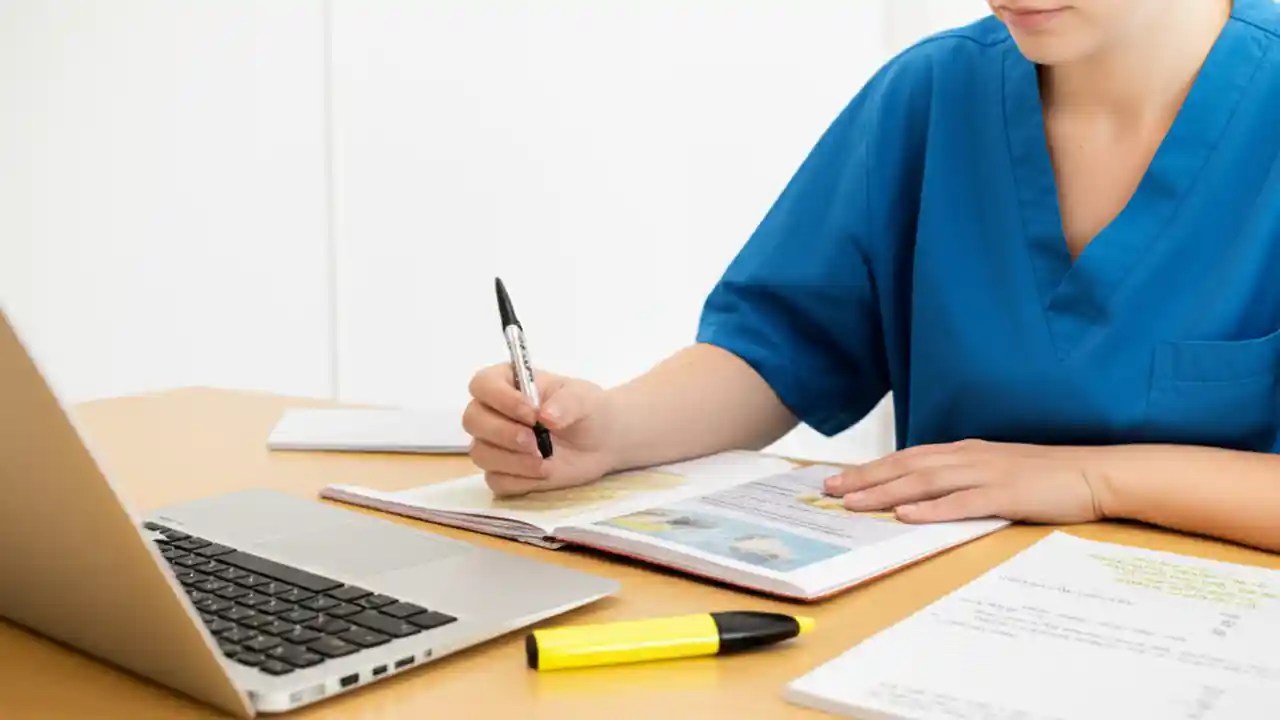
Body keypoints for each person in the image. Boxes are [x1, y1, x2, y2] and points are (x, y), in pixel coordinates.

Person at [463, 0, 1280, 553]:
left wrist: (1095, 479)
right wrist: (612, 430)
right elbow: (775, 349)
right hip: (944, 616)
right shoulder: (933, 92)